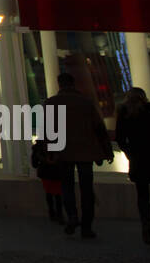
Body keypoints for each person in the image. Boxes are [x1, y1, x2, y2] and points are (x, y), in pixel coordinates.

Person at [43, 72, 113, 239]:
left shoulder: (51, 103)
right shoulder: (85, 103)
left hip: (63, 152)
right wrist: (106, 150)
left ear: (60, 84)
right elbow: (99, 128)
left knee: (66, 186)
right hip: (86, 151)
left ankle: (72, 216)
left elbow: (47, 130)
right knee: (86, 189)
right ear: (73, 84)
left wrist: (49, 151)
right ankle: (87, 225)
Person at [115, 87, 150, 244]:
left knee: (142, 197)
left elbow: (120, 138)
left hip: (139, 160)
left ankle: (146, 228)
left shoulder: (125, 115)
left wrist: (130, 153)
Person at [30, 139, 64, 224]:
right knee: (57, 194)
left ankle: (52, 213)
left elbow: (34, 163)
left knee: (49, 193)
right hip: (57, 172)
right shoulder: (59, 143)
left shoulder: (39, 145)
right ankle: (59, 215)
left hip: (45, 172)